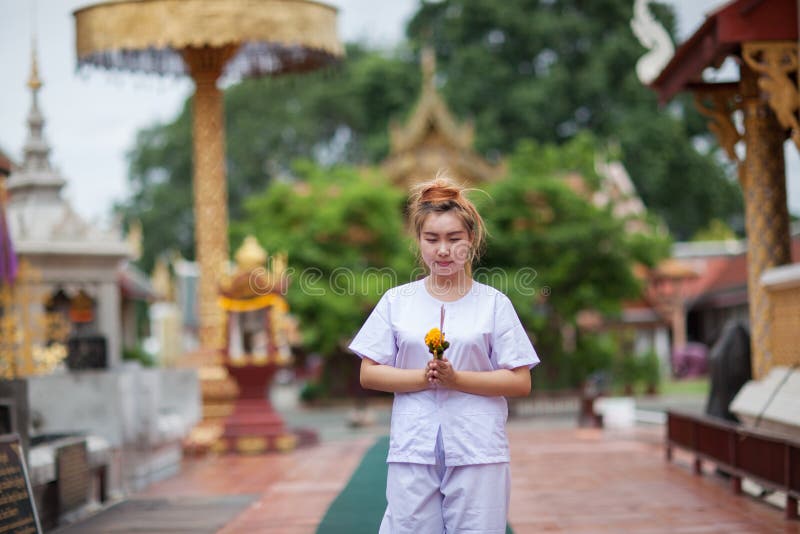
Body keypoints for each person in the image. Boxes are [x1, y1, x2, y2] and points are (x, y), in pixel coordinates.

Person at [348, 174, 539, 534]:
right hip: (413, 445)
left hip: (478, 446)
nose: (443, 249)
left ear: (472, 241)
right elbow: (369, 372)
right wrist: (423, 378)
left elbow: (520, 380)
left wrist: (457, 379)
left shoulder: (494, 304)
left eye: (454, 239)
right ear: (418, 241)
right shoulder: (397, 302)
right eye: (431, 238)